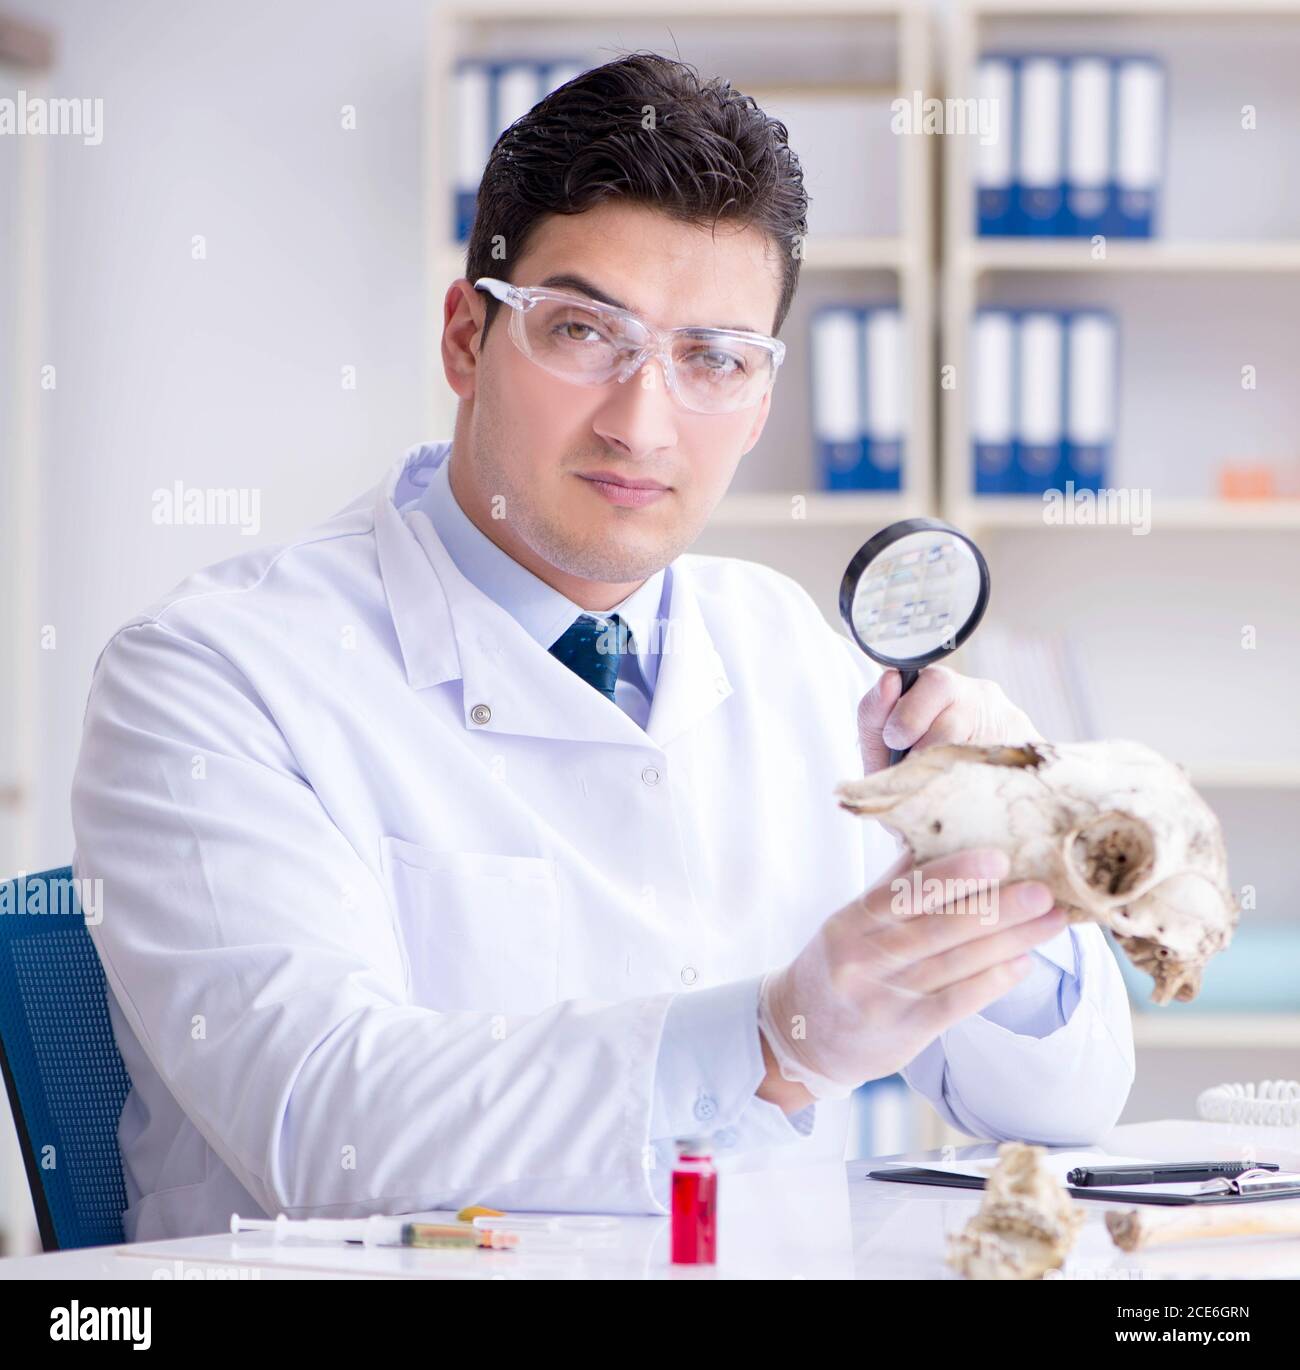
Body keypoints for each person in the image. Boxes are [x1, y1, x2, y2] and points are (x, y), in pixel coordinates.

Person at [71, 52, 1133, 1242]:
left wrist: (1000, 849)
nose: (641, 420)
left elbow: (1060, 1102)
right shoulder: (212, 675)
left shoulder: (792, 649)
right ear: (467, 336)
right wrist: (772, 1040)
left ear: (760, 400)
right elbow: (326, 1124)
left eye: (712, 357)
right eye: (582, 330)